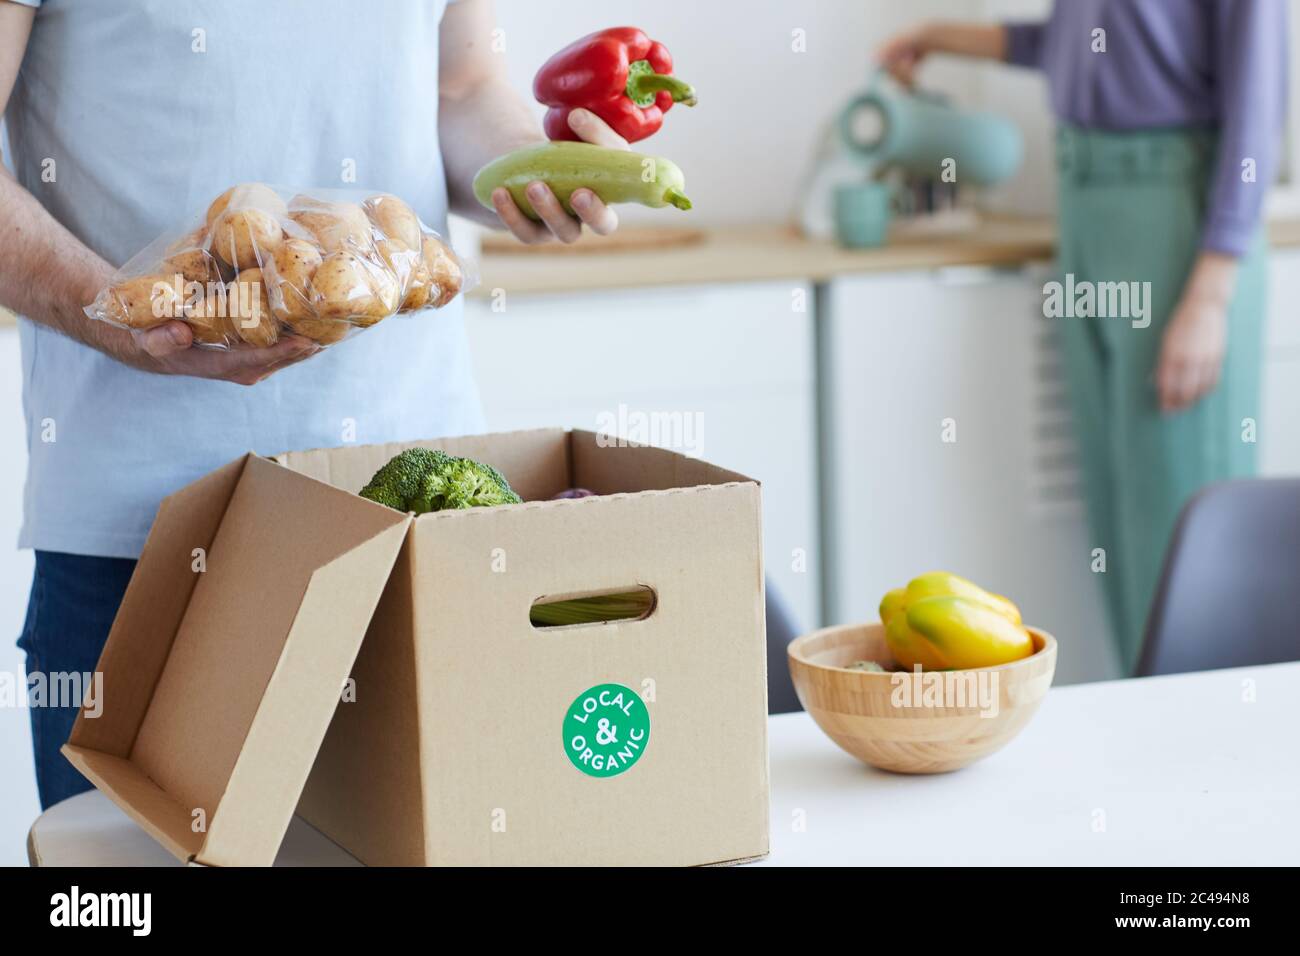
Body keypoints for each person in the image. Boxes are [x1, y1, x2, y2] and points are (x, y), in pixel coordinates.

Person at [0, 0, 628, 811]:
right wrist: (117, 310)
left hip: (414, 513)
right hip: (143, 542)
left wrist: (532, 174)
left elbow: (464, 87)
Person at [878, 4, 1288, 671]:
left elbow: (1258, 100)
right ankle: (1147, 749)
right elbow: (1085, 45)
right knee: (1119, 520)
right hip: (1087, 210)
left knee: (1177, 536)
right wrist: (940, 37)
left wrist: (1211, 293)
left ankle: (1197, 757)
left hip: (1178, 225)